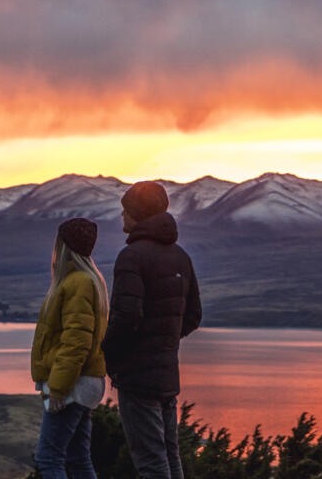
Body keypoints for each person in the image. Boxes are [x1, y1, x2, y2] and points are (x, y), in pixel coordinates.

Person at [103, 181, 202, 479]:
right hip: (167, 373)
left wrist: (107, 354)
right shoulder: (181, 256)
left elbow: (126, 317)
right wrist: (164, 341)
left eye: (126, 210)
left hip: (137, 376)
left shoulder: (132, 257)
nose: (121, 216)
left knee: (149, 460)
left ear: (138, 214)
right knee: (169, 454)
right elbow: (193, 316)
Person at [29, 216, 110, 479]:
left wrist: (59, 389)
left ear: (64, 246)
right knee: (78, 457)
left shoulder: (77, 283)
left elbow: (76, 342)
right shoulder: (89, 280)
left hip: (73, 384)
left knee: (49, 458)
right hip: (84, 381)